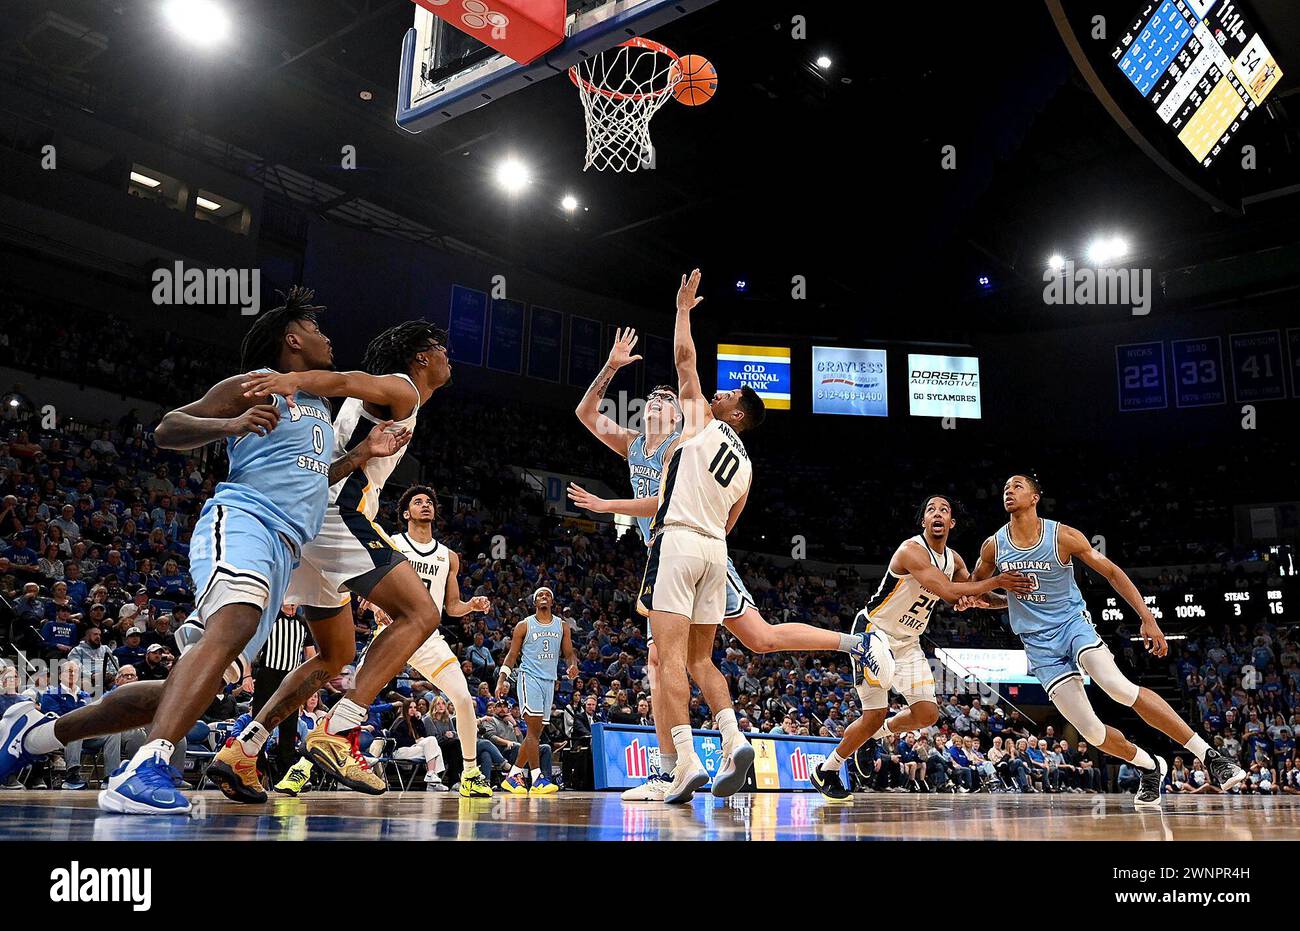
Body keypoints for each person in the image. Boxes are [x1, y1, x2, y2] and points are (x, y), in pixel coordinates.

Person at [0, 288, 407, 814]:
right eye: (316, 329)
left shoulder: (319, 411)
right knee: (233, 623)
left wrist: (360, 455)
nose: (327, 338)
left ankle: (32, 737)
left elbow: (312, 481)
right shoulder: (251, 386)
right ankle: (145, 767)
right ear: (292, 339)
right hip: (243, 522)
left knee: (197, 688)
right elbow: (167, 428)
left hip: (284, 549)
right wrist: (230, 425)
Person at [570, 329, 870, 802]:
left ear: (678, 414)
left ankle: (678, 765)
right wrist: (611, 367)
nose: (657, 399)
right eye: (651, 396)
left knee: (727, 646)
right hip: (695, 550)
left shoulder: (688, 439)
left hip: (683, 547)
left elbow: (665, 504)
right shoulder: (634, 447)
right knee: (708, 651)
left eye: (667, 397)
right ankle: (708, 751)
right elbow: (586, 414)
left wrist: (609, 506)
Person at [211, 320, 451, 800]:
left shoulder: (389, 399)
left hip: (311, 524)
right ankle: (340, 731)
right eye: (440, 348)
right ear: (421, 357)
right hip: (341, 515)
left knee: (337, 653)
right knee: (422, 613)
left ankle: (244, 749)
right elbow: (343, 378)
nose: (448, 356)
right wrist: (292, 380)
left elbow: (345, 387)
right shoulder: (403, 389)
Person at [961, 474, 1248, 810]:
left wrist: (1148, 618)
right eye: (1006, 488)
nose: (1009, 491)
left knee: (1117, 687)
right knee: (1093, 733)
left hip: (1072, 626)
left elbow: (1111, 572)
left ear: (1036, 497)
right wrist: (986, 593)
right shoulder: (993, 546)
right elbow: (977, 591)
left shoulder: (1062, 536)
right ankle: (1151, 765)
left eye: (1017, 486)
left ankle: (1211, 756)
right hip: (1038, 644)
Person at [631, 269, 765, 804]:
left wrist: (684, 310)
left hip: (679, 542)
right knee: (701, 660)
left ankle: (684, 762)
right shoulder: (749, 466)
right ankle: (733, 738)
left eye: (727, 393)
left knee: (665, 659)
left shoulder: (700, 424)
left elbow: (685, 361)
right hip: (716, 551)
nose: (718, 392)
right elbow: (732, 523)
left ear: (733, 413)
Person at [809, 496, 1030, 799]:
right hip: (875, 634)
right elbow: (952, 591)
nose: (937, 514)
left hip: (909, 642)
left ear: (951, 523)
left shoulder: (954, 560)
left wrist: (1013, 601)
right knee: (874, 713)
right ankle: (828, 770)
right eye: (930, 510)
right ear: (924, 522)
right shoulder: (911, 550)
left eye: (944, 510)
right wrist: (998, 581)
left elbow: (974, 598)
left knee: (927, 714)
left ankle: (874, 736)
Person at [377, 484, 493, 797]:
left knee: (464, 698)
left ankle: (470, 773)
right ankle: (305, 765)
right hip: (394, 629)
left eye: (429, 501)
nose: (425, 505)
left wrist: (472, 605)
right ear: (406, 512)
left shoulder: (448, 557)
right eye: (418, 502)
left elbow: (452, 606)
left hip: (428, 637)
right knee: (354, 697)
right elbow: (374, 582)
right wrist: (376, 606)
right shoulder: (393, 543)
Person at [496, 587, 578, 795]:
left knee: (536, 732)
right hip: (528, 677)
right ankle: (537, 778)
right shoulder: (524, 625)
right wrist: (501, 679)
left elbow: (568, 653)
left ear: (552, 602)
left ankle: (513, 775)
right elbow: (512, 655)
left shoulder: (562, 626)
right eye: (540, 595)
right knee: (533, 731)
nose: (544, 597)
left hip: (549, 681)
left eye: (547, 595)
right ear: (534, 603)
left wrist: (572, 666)